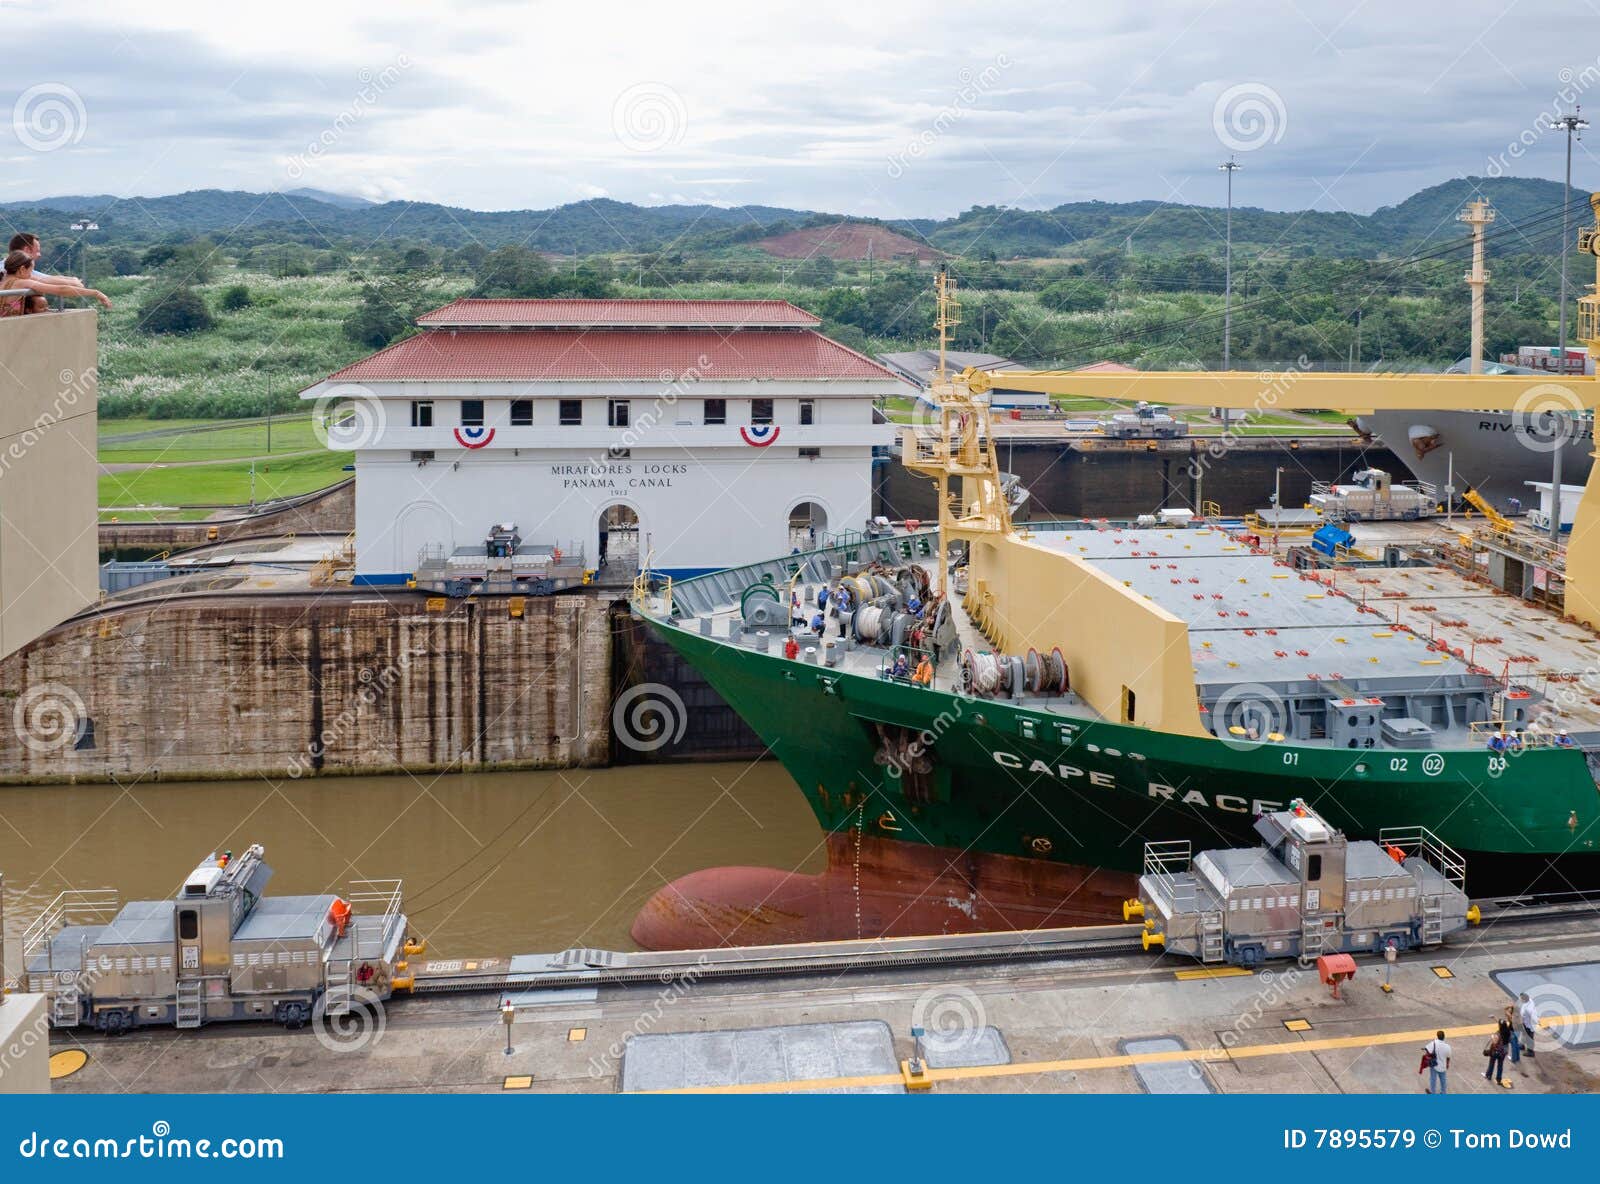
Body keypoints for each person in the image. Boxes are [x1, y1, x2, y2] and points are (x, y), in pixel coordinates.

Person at [0, 251, 111, 314]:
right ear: (22, 269)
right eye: (30, 270)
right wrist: (95, 293)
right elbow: (61, 290)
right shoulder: (21, 283)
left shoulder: (4, 281)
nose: (31, 275)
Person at [1422, 1030, 1451, 1094]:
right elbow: (1448, 1057)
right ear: (1444, 1037)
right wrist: (1447, 1064)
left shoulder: (1433, 1043)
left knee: (1433, 1079)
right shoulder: (1448, 1047)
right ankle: (1443, 1092)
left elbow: (1427, 1049)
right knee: (1443, 1080)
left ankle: (1432, 1092)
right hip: (1443, 1066)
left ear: (1437, 1036)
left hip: (1434, 1065)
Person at [1484, 1017, 1509, 1087]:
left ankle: (1488, 1075)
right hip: (1503, 1052)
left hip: (1496, 1051)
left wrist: (1492, 1037)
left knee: (1492, 1063)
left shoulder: (1499, 1033)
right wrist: (1495, 1018)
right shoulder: (1507, 1032)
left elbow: (1495, 1042)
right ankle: (1498, 1079)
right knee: (1500, 1065)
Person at [1518, 992, 1538, 1058]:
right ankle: (1522, 1045)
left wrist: (1536, 1023)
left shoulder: (1529, 1009)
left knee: (1529, 1038)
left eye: (1520, 998)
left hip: (1529, 1025)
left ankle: (1530, 1052)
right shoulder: (1528, 1001)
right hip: (1525, 1023)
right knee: (1523, 1034)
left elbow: (1533, 1017)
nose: (1519, 999)